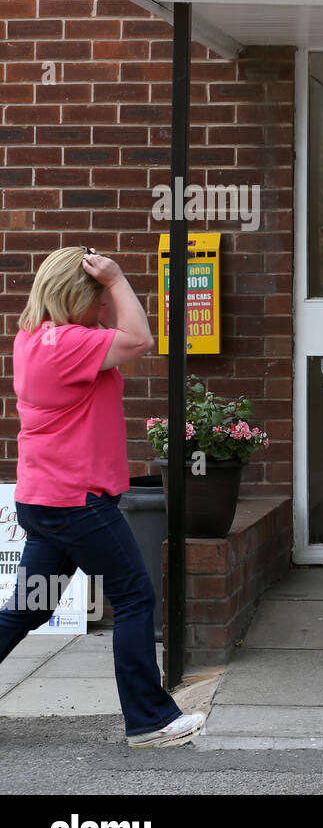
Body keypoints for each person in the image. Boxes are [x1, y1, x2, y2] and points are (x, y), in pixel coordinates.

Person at [2, 246, 205, 748]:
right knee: (134, 598)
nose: (103, 312)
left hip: (45, 500)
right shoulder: (67, 343)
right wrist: (115, 278)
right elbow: (140, 339)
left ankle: (148, 717)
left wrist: (109, 288)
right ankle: (150, 720)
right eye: (96, 301)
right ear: (76, 298)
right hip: (78, 503)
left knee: (28, 607)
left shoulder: (32, 338)